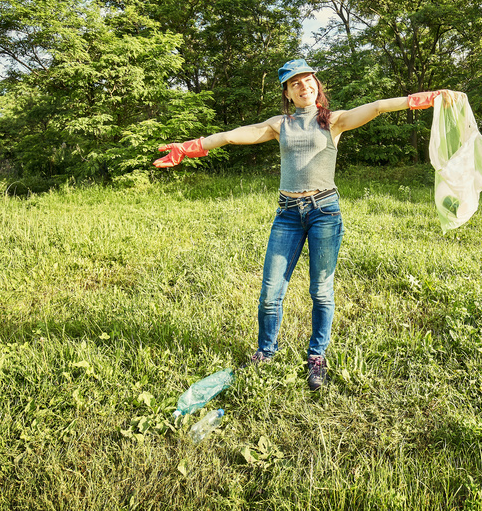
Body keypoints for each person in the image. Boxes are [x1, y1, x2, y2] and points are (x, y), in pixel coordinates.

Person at [154, 58, 452, 390]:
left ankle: (316, 358)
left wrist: (426, 97)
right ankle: (265, 353)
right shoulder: (279, 124)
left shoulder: (334, 121)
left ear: (317, 86)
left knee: (321, 291)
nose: (303, 85)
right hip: (288, 215)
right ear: (288, 93)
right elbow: (229, 136)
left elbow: (378, 106)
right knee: (270, 293)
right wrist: (188, 148)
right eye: (295, 83)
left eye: (308, 79)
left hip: (324, 211)